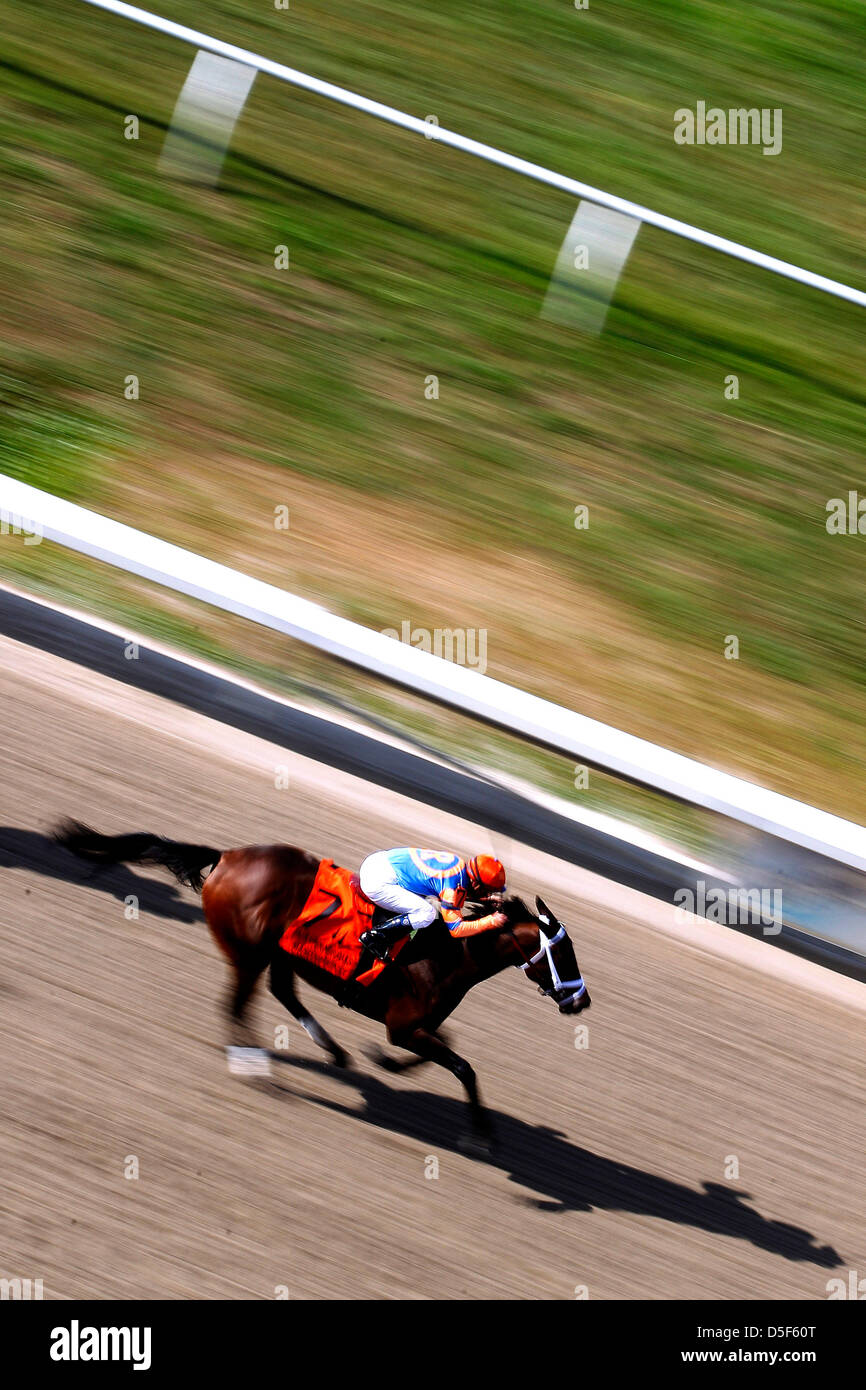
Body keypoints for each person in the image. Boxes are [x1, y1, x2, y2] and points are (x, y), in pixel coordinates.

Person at [358, 847, 507, 962]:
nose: (488, 894)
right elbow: (456, 929)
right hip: (378, 881)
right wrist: (491, 921)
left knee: (428, 904)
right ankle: (374, 937)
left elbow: (448, 893)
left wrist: (482, 900)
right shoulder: (451, 887)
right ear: (475, 883)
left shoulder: (459, 864)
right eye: (487, 891)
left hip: (378, 860)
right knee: (427, 913)